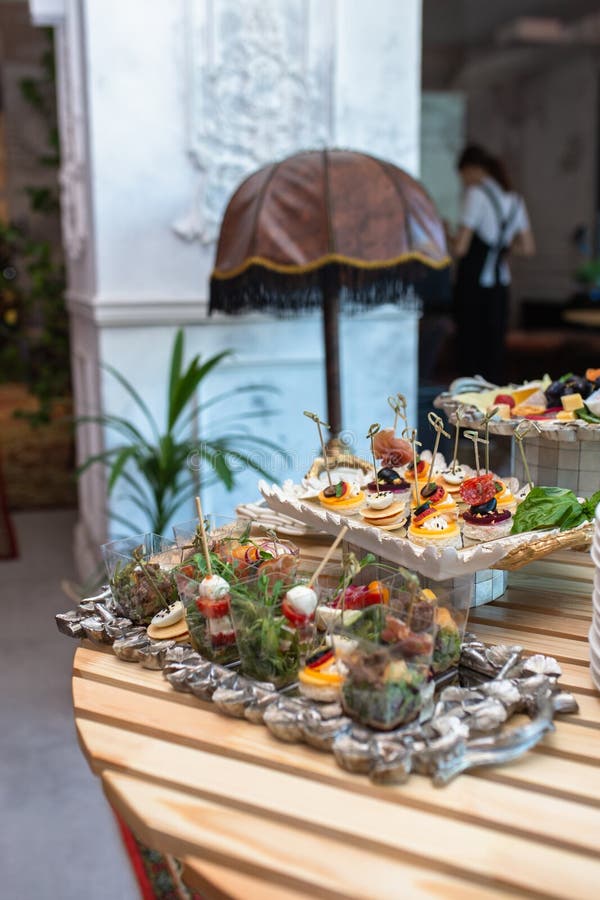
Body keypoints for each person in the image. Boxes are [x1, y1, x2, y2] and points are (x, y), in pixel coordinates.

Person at [452, 144, 535, 384]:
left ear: (472, 169)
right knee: (494, 352)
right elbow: (528, 248)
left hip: (474, 283)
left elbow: (461, 247)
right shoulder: (514, 199)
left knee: (470, 351)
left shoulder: (476, 195)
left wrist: (446, 234)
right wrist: (502, 247)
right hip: (500, 284)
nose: (464, 182)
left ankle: (467, 413)